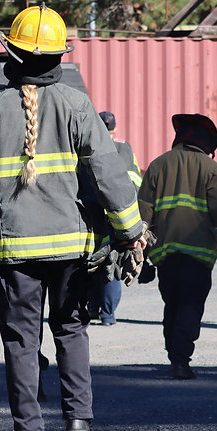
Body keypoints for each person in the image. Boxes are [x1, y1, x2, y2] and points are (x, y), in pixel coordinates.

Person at [0, 4, 145, 431]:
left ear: (10, 52)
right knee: (71, 331)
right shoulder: (76, 104)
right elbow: (110, 174)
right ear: (59, 57)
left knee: (20, 341)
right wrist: (131, 232)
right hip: (71, 247)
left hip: (14, 250)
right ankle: (78, 424)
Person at [137, 113, 217, 380]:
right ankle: (181, 358)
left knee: (173, 303)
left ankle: (173, 354)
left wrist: (142, 255)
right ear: (207, 144)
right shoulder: (211, 169)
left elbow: (143, 213)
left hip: (164, 253)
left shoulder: (157, 165)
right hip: (198, 252)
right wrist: (215, 224)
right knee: (191, 305)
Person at [87, 110, 143, 326]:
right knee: (113, 263)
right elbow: (135, 181)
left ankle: (92, 307)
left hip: (91, 214)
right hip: (118, 215)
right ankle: (107, 315)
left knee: (92, 262)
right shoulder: (123, 147)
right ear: (115, 129)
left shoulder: (86, 145)